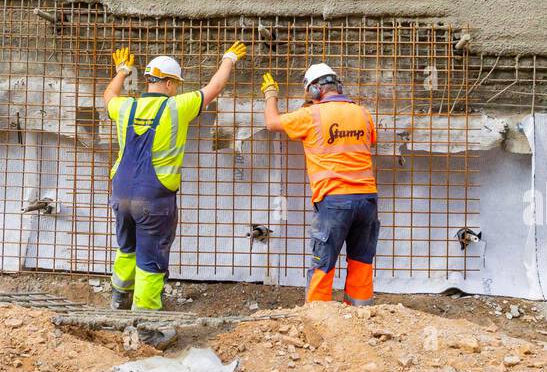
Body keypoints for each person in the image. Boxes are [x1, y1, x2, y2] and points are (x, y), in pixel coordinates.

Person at [102, 41, 246, 310]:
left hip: (121, 193)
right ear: (169, 84)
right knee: (151, 257)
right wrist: (228, 58)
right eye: (176, 84)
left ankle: (119, 296)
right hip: (153, 197)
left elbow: (108, 96)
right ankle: (145, 322)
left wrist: (122, 71)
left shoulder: (124, 107)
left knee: (127, 247)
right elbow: (214, 88)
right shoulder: (176, 107)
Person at [260, 63, 379, 305]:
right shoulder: (362, 113)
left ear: (315, 90)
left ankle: (319, 317)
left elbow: (272, 123)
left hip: (334, 200)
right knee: (361, 260)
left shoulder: (310, 116)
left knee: (323, 262)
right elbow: (371, 141)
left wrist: (271, 95)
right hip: (367, 198)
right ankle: (361, 315)